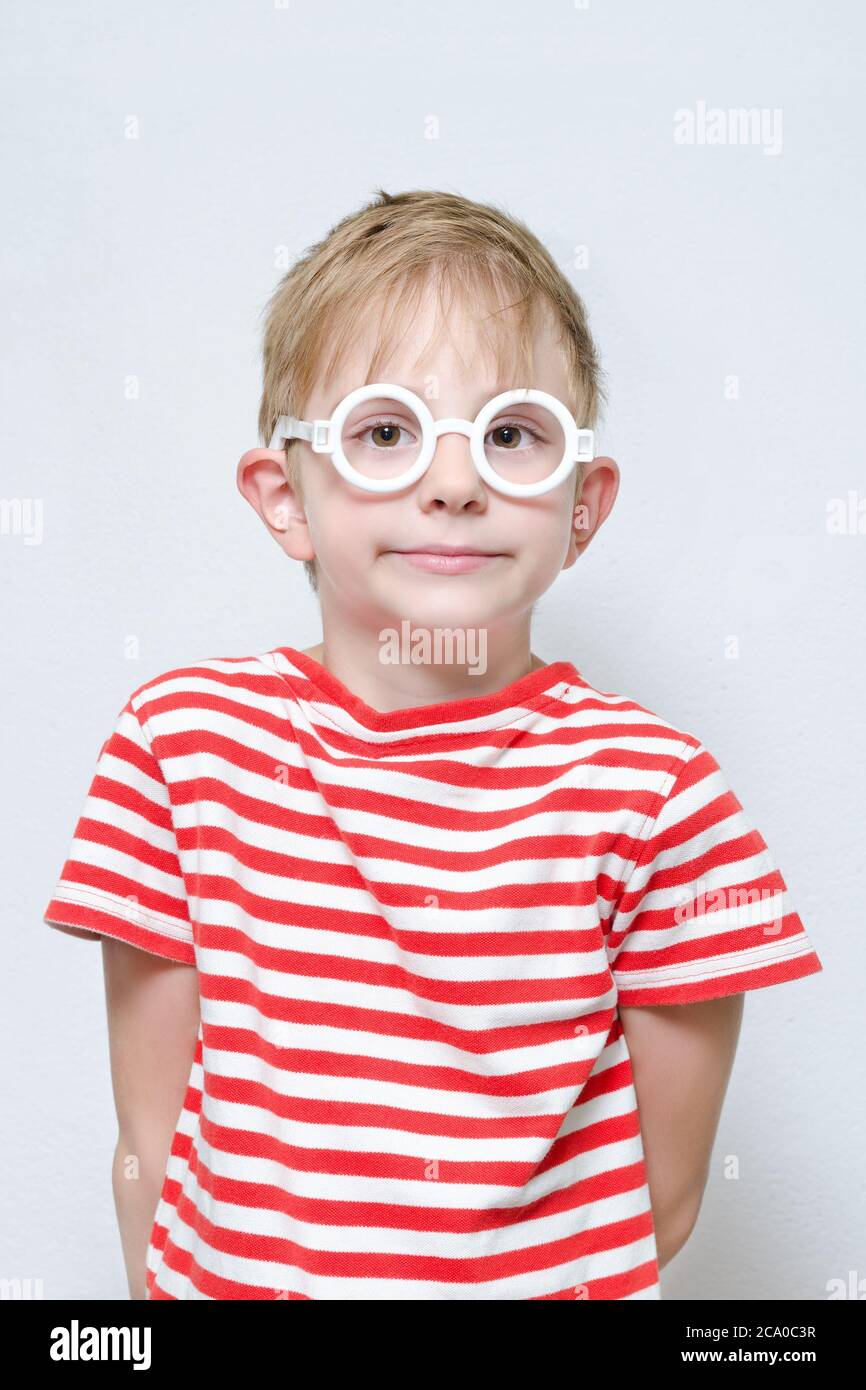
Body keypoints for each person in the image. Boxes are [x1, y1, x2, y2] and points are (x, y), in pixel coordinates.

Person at [42, 188, 823, 1301]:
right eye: (384, 432)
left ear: (581, 504)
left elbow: (665, 1193)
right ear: (285, 497)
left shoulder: (660, 792)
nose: (452, 483)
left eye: (508, 435)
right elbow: (155, 1148)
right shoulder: (180, 749)